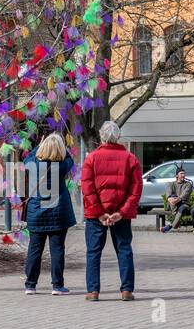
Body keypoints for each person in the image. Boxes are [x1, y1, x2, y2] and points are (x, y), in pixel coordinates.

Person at [80, 121, 143, 301]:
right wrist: (121, 212)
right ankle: (127, 290)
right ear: (119, 136)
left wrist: (100, 212)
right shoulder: (131, 159)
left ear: (101, 136)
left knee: (93, 251)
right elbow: (135, 190)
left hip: (96, 214)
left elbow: (87, 189)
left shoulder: (91, 158)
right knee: (124, 249)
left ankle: (93, 291)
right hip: (120, 214)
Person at [21, 133, 77, 296]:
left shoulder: (32, 164)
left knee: (34, 249)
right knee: (57, 249)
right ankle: (57, 285)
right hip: (58, 213)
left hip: (36, 212)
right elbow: (70, 157)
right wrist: (60, 148)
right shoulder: (63, 165)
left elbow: (29, 157)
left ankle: (30, 285)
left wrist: (41, 144)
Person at [162, 168, 194, 232]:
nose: (183, 175)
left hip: (185, 205)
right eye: (181, 173)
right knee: (171, 195)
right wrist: (170, 199)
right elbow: (169, 194)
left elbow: (184, 195)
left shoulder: (188, 184)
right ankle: (176, 222)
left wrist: (176, 200)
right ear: (176, 176)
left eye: (184, 173)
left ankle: (171, 226)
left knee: (182, 207)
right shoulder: (171, 184)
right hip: (174, 205)